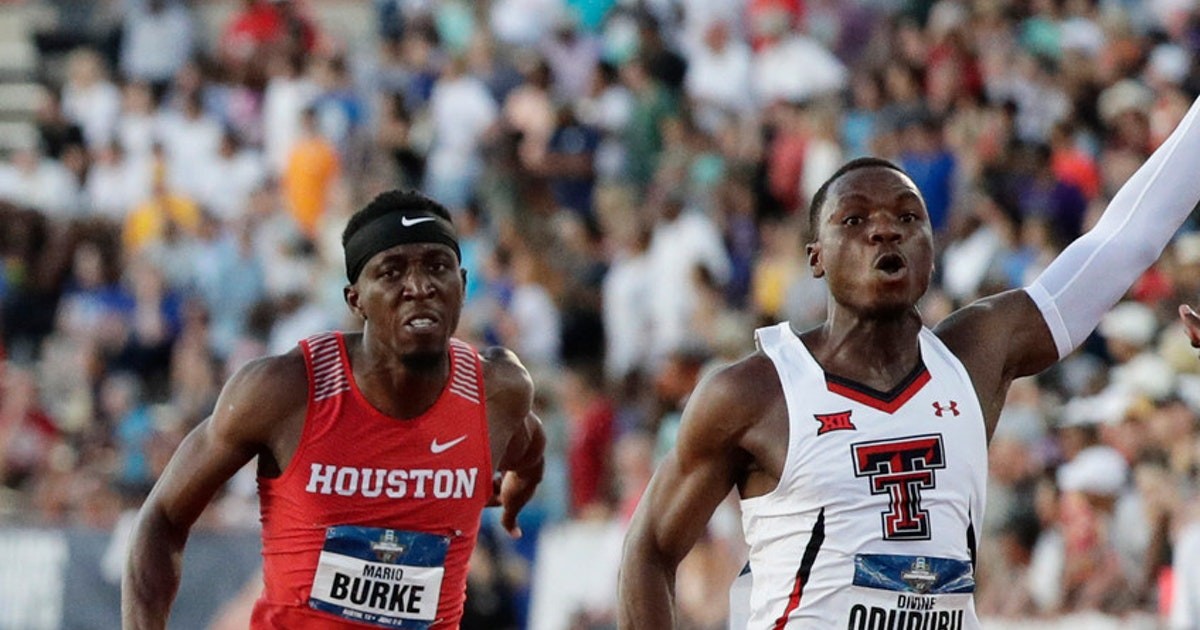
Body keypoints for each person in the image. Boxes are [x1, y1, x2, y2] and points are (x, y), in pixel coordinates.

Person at [619, 93, 1200, 629]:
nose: (884, 232)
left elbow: (1126, 240)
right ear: (815, 258)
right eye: (855, 220)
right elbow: (649, 549)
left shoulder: (976, 353)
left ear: (930, 248)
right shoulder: (754, 390)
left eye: (908, 217)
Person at [122, 189, 546, 629]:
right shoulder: (284, 390)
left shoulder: (498, 391)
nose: (419, 287)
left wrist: (515, 491)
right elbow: (162, 517)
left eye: (438, 267)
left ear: (461, 282)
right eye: (392, 271)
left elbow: (531, 449)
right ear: (354, 299)